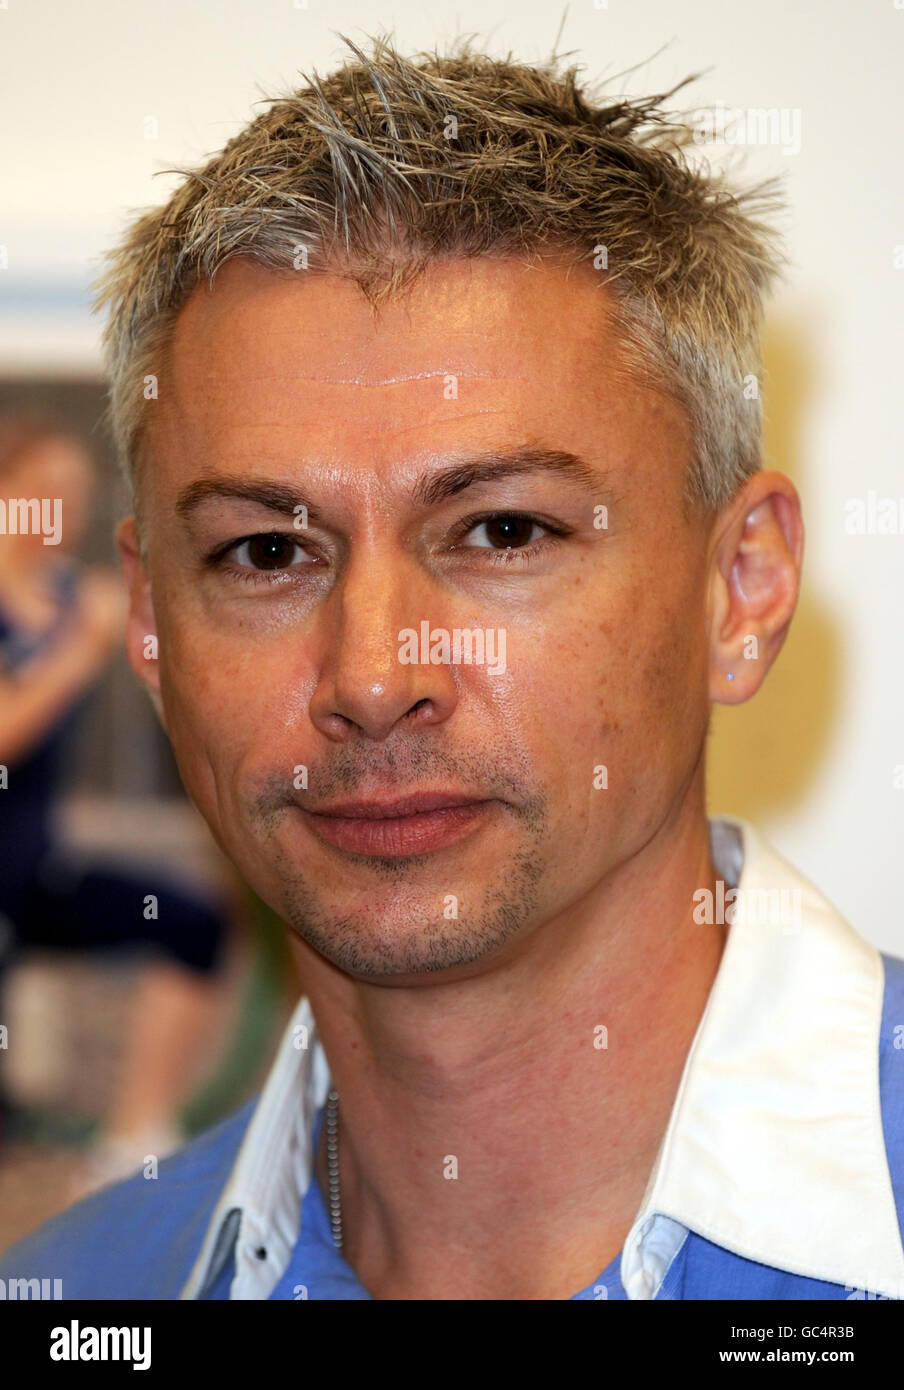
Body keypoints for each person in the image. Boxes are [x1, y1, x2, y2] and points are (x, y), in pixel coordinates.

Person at [1, 32, 902, 1301]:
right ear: (149, 624)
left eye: (503, 531)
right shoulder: (77, 1296)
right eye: (267, 551)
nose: (373, 675)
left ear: (740, 587)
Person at [0, 415, 232, 1191]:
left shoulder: (74, 597)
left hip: (35, 871)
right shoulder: (63, 624)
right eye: (44, 493)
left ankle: (131, 1136)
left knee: (191, 923)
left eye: (72, 493)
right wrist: (80, 653)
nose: (62, 510)